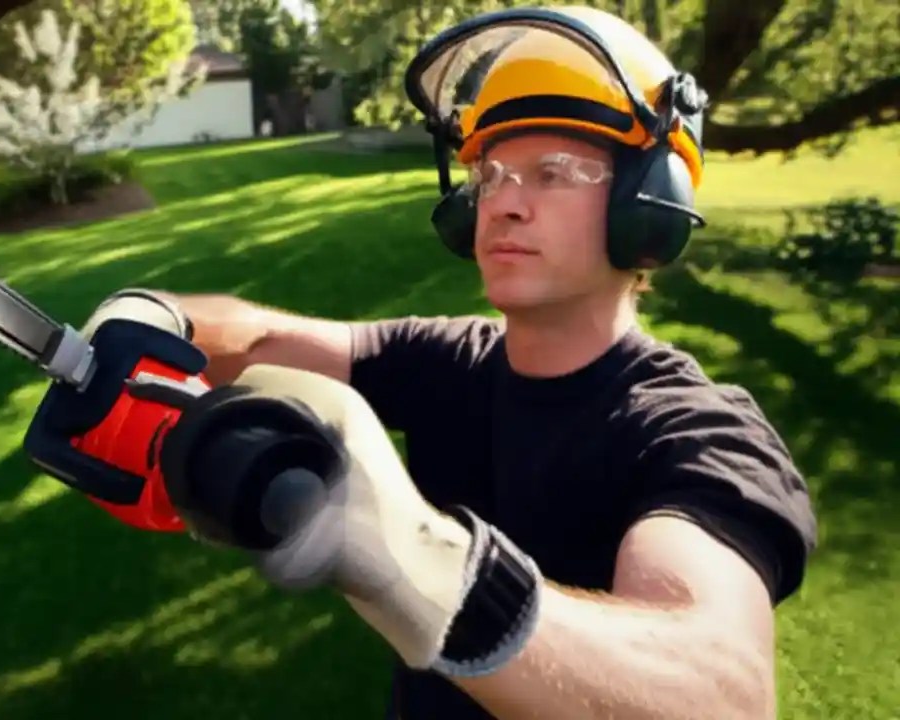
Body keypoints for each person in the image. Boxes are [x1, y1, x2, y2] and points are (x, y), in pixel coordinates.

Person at [81, 6, 817, 718]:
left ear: (648, 203)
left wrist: (416, 563)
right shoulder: (450, 357)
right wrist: (154, 321)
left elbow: (720, 695)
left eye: (555, 171)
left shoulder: (700, 434)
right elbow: (261, 341)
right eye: (490, 175)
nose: (502, 204)